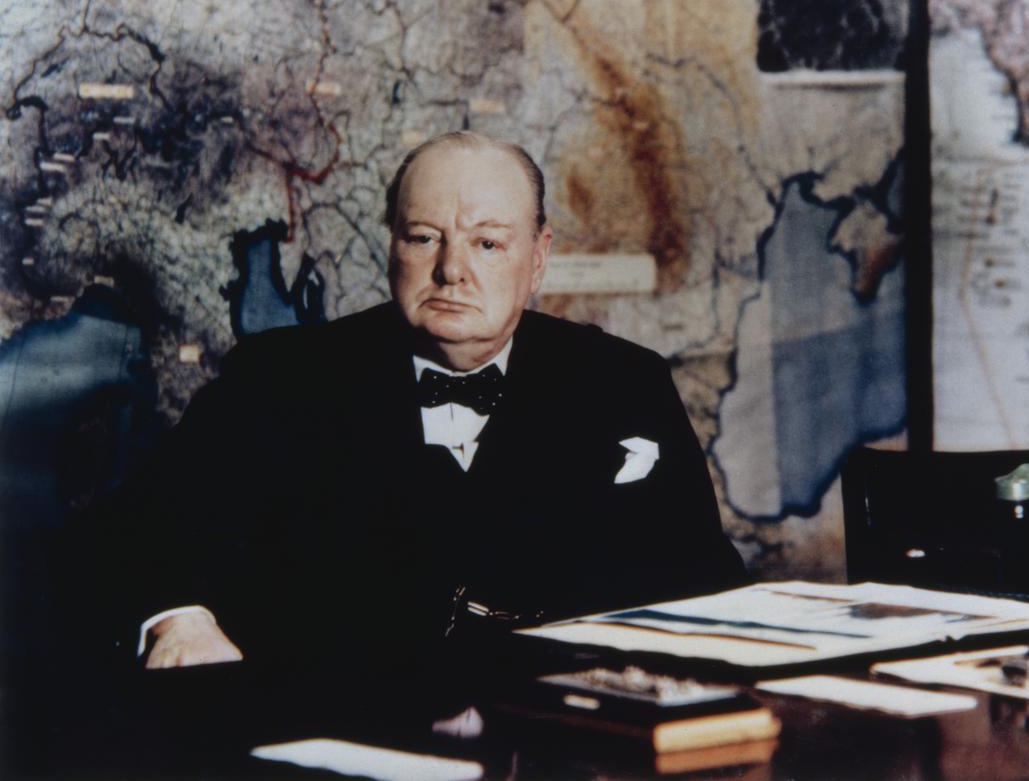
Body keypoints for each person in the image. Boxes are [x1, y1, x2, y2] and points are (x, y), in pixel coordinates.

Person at [116, 131, 746, 675]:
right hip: (335, 729)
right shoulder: (278, 380)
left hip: (560, 736)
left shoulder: (623, 382)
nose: (452, 270)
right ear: (392, 247)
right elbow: (147, 532)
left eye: (488, 244)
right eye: (424, 238)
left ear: (539, 258)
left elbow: (705, 578)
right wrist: (179, 622)